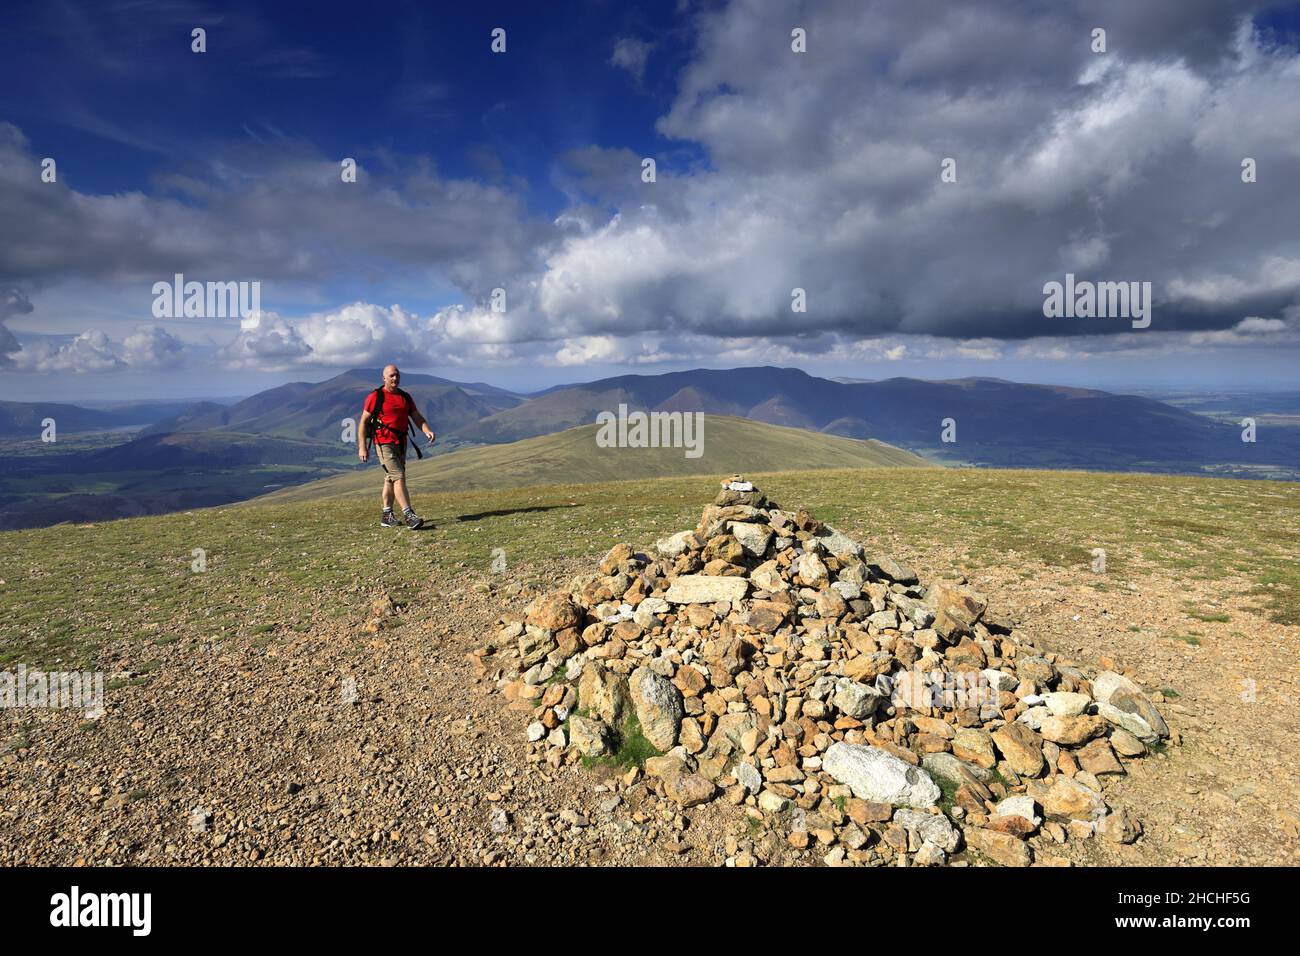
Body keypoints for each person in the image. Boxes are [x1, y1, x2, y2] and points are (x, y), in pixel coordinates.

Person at [357, 364, 436, 528]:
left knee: (391, 478)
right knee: (399, 477)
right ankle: (409, 516)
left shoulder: (405, 397)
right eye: (391, 375)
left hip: (401, 442)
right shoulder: (375, 397)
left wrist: (426, 430)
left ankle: (387, 515)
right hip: (383, 443)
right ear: (384, 378)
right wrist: (362, 447)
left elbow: (416, 416)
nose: (395, 378)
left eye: (397, 375)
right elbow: (363, 422)